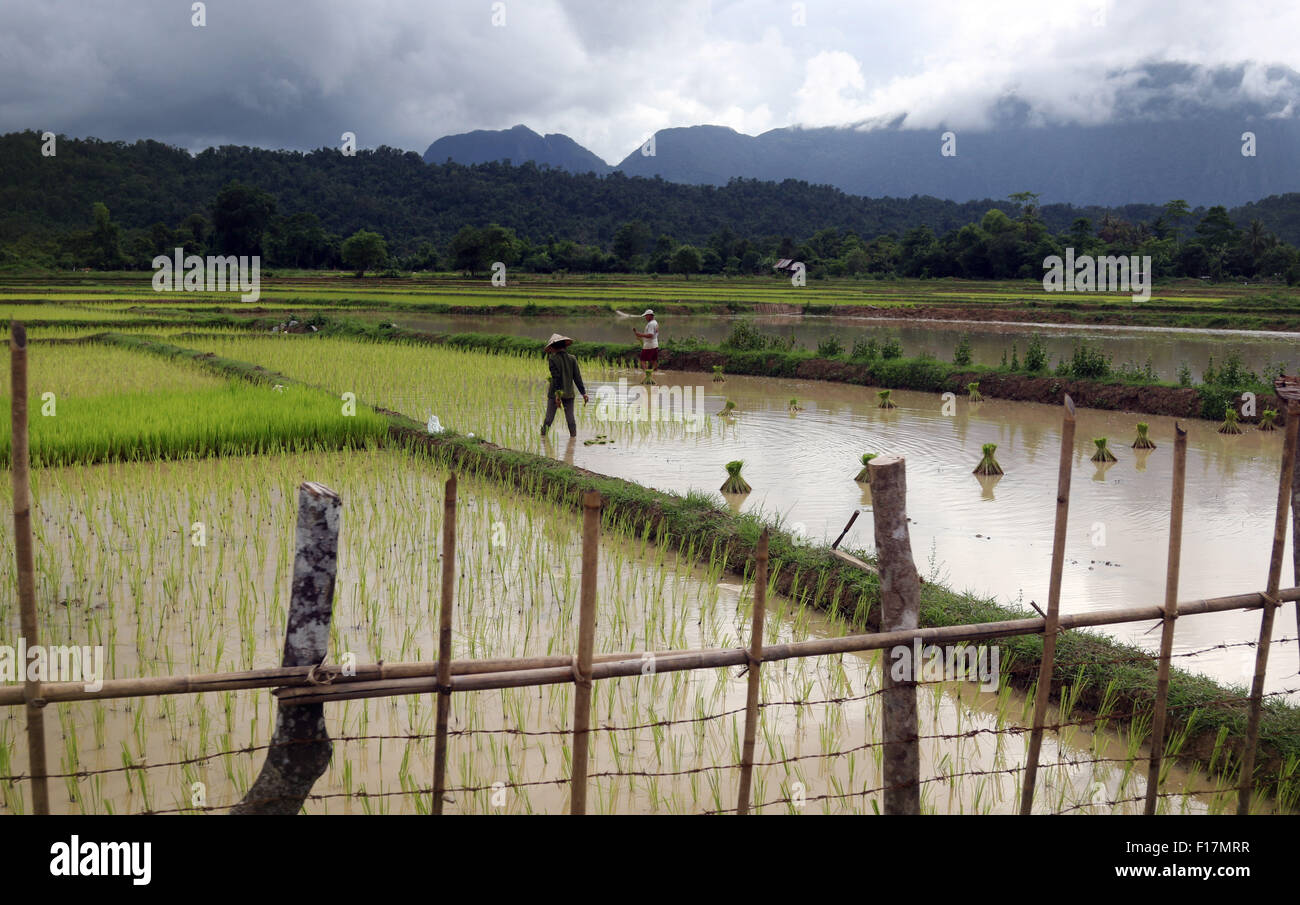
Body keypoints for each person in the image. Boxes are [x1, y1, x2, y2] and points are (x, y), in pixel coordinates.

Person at [541, 333, 588, 437]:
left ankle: (543, 438)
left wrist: (558, 396)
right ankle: (573, 437)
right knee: (570, 418)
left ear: (553, 347)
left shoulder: (552, 359)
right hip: (569, 393)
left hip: (555, 393)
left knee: (549, 418)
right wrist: (583, 393)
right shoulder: (573, 359)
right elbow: (577, 378)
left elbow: (556, 378)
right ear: (565, 346)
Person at [632, 308, 659, 377]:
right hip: (655, 344)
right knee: (654, 360)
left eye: (646, 316)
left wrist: (640, 334)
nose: (645, 318)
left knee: (643, 360)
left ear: (650, 315)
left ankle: (647, 375)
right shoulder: (655, 322)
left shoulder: (651, 324)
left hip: (649, 345)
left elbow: (650, 335)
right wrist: (640, 336)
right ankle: (656, 373)